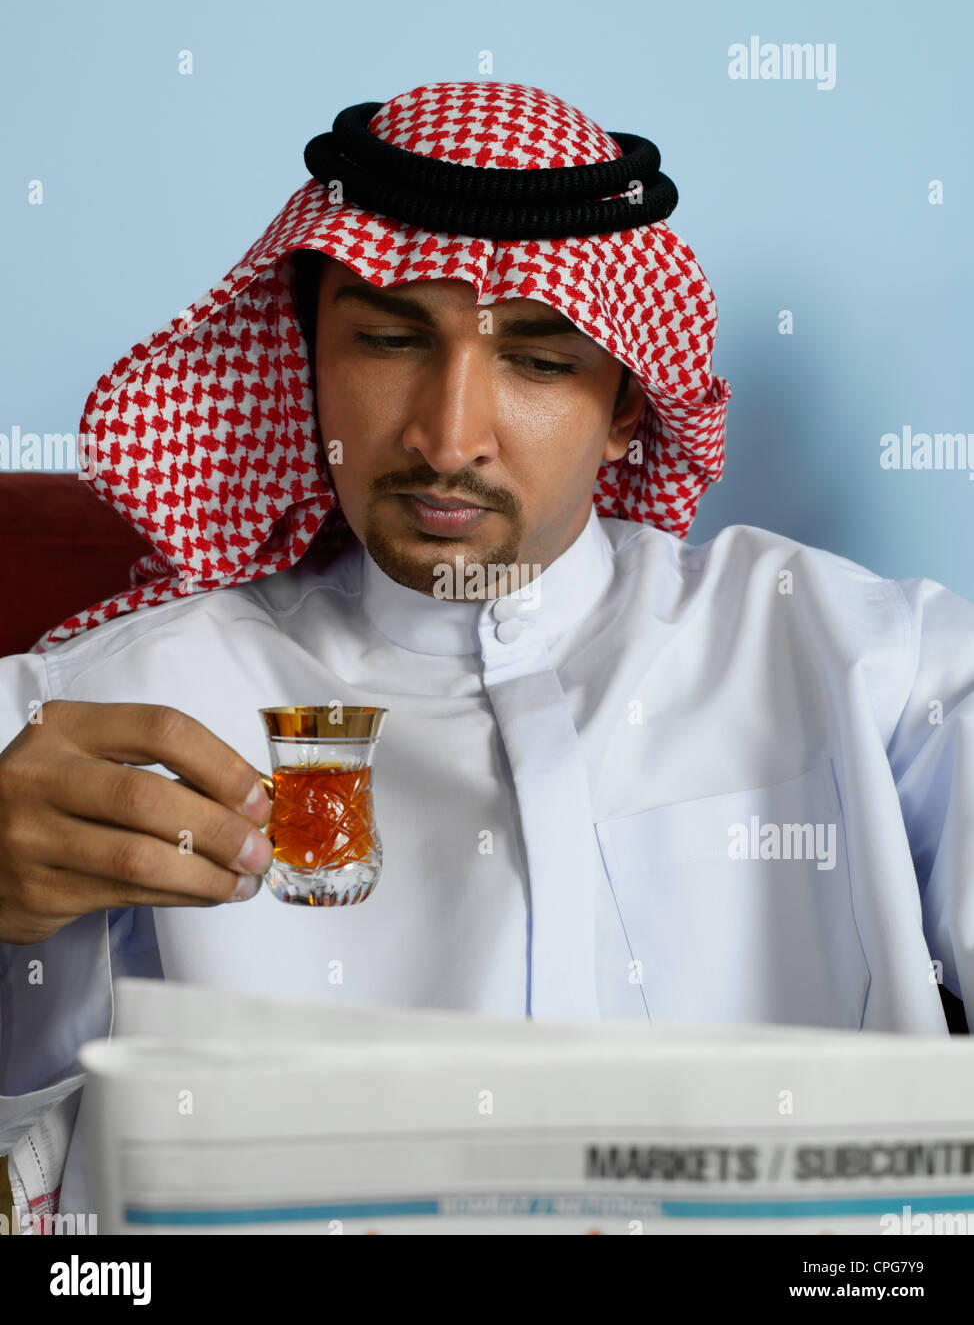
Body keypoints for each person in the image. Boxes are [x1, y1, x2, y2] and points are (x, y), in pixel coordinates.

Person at [0, 81, 972, 1224]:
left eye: (540, 358)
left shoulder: (865, 660)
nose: (446, 436)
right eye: (389, 337)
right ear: (306, 355)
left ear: (627, 407)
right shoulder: (84, 715)